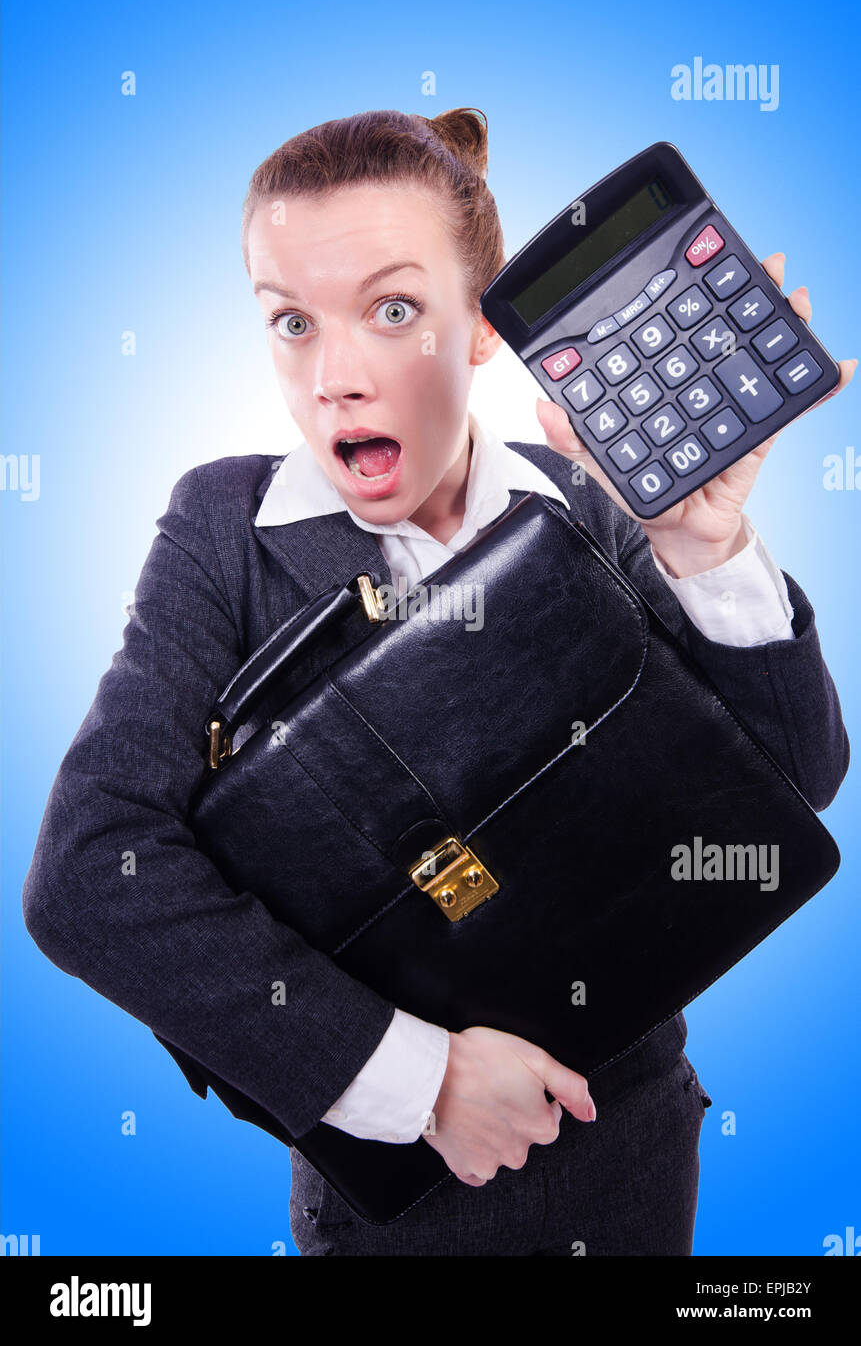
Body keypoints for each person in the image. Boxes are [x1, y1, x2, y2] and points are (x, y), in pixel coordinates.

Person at [22, 108, 853, 1257]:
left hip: (630, 1173)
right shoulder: (222, 526)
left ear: (481, 327)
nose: (336, 378)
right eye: (292, 322)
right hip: (396, 1217)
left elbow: (790, 784)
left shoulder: (590, 497)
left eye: (394, 309)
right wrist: (418, 1081)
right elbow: (88, 875)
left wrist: (705, 543)